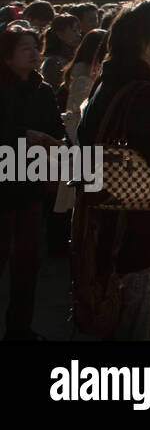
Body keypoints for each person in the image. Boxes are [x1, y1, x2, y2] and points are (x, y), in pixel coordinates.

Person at [76, 0, 150, 340]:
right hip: (147, 246)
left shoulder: (106, 86)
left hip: (107, 240)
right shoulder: (145, 95)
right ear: (148, 44)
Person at [0, 27, 63, 340]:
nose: (34, 53)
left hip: (30, 186)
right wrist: (21, 136)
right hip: (2, 184)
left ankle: (19, 328)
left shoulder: (43, 89)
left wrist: (55, 146)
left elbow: (55, 128)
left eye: (35, 47)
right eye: (25, 48)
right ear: (7, 54)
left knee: (28, 262)